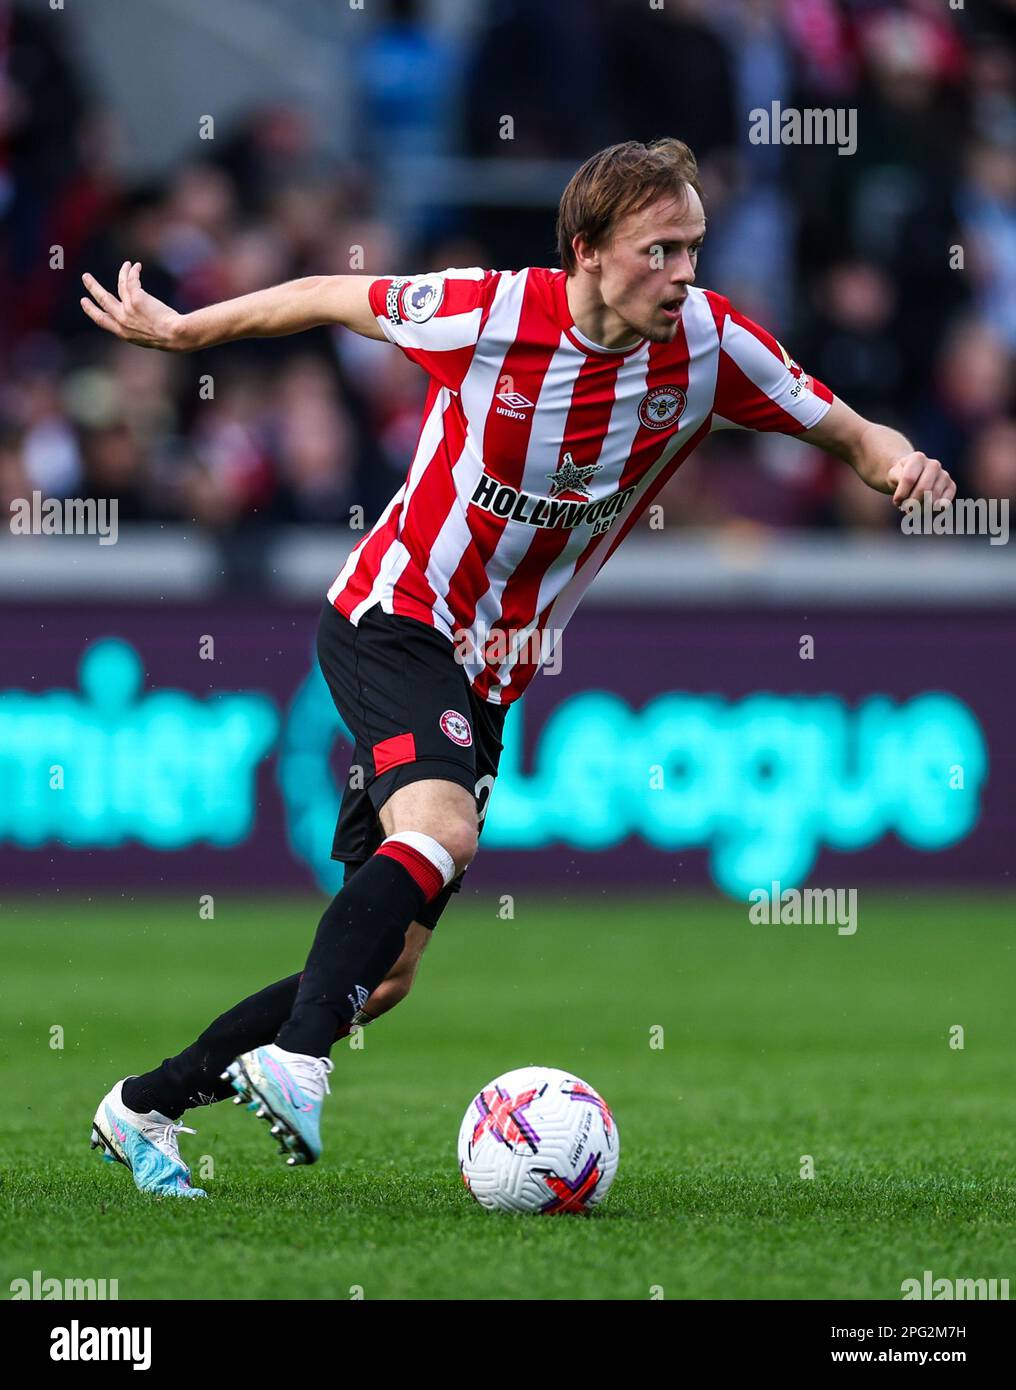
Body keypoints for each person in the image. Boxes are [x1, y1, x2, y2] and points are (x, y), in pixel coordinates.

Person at [80, 139, 955, 1197]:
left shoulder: (712, 346)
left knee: (388, 973)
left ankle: (142, 1106)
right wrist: (185, 329)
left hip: (493, 672)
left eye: (692, 248)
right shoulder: (490, 313)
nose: (682, 273)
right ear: (585, 252)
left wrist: (899, 461)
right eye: (658, 251)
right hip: (393, 614)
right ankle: (297, 1058)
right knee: (436, 833)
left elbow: (850, 434)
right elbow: (328, 292)